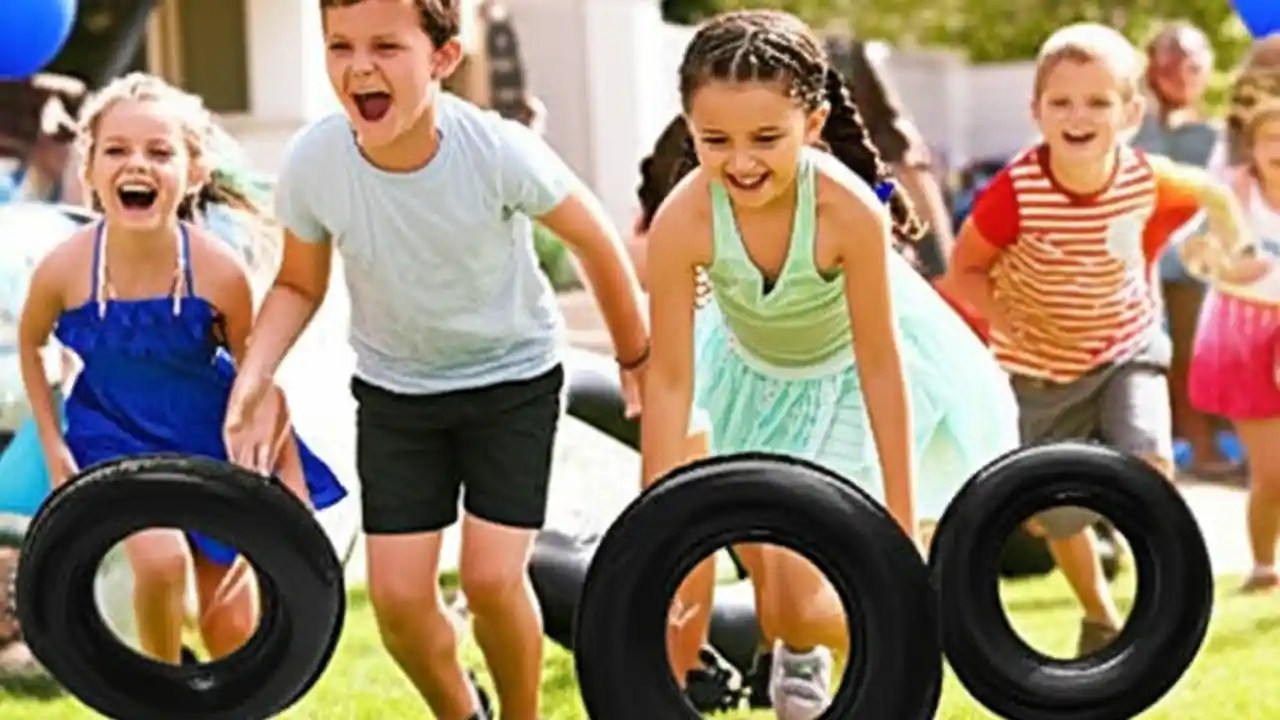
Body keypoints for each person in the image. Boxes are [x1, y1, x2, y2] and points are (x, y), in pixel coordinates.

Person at [220, 2, 649, 719]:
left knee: (488, 581)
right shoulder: (316, 160)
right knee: (396, 601)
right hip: (398, 393)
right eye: (339, 46)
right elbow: (298, 282)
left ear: (443, 58)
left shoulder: (493, 149)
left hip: (512, 380)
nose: (359, 66)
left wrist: (635, 353)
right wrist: (255, 375)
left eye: (387, 46)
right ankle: (462, 711)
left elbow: (595, 240)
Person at [642, 10, 1021, 718]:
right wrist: (651, 526)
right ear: (689, 129)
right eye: (715, 140)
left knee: (817, 604)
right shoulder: (685, 218)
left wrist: (899, 528)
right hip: (750, 378)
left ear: (812, 124)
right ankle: (799, 656)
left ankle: (911, 638)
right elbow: (668, 381)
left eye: (766, 138)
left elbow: (880, 364)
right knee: (779, 605)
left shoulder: (845, 209)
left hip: (848, 376)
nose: (742, 161)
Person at [15, 72, 348, 666]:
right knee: (161, 561)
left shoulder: (217, 273)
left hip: (207, 432)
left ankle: (219, 693)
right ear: (89, 169)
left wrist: (289, 486)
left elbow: (260, 381)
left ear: (193, 172)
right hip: (113, 429)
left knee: (229, 621)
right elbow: (32, 343)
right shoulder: (63, 270)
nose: (136, 163)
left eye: (159, 151)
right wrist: (52, 440)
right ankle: (162, 689)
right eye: (116, 150)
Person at [945, 23, 1252, 657]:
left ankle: (1165, 594)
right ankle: (1100, 612)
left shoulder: (1148, 180)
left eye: (1097, 102)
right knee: (1054, 516)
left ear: (1131, 113)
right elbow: (964, 271)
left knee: (1148, 458)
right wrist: (1007, 320)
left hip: (1125, 347)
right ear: (1037, 112)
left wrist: (1234, 249)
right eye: (1061, 102)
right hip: (1037, 371)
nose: (1078, 116)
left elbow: (1215, 195)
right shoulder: (1017, 193)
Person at [1186, 55, 1280, 593]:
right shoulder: (1232, 191)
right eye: (1271, 138)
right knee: (1271, 472)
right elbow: (1198, 253)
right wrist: (1229, 266)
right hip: (1245, 336)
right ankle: (1265, 567)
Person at [1129, 22, 1235, 477]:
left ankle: (1202, 444)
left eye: (1191, 64)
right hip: (1139, 259)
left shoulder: (1217, 134)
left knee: (1194, 351)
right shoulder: (1133, 127)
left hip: (1197, 262)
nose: (1180, 74)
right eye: (1169, 63)